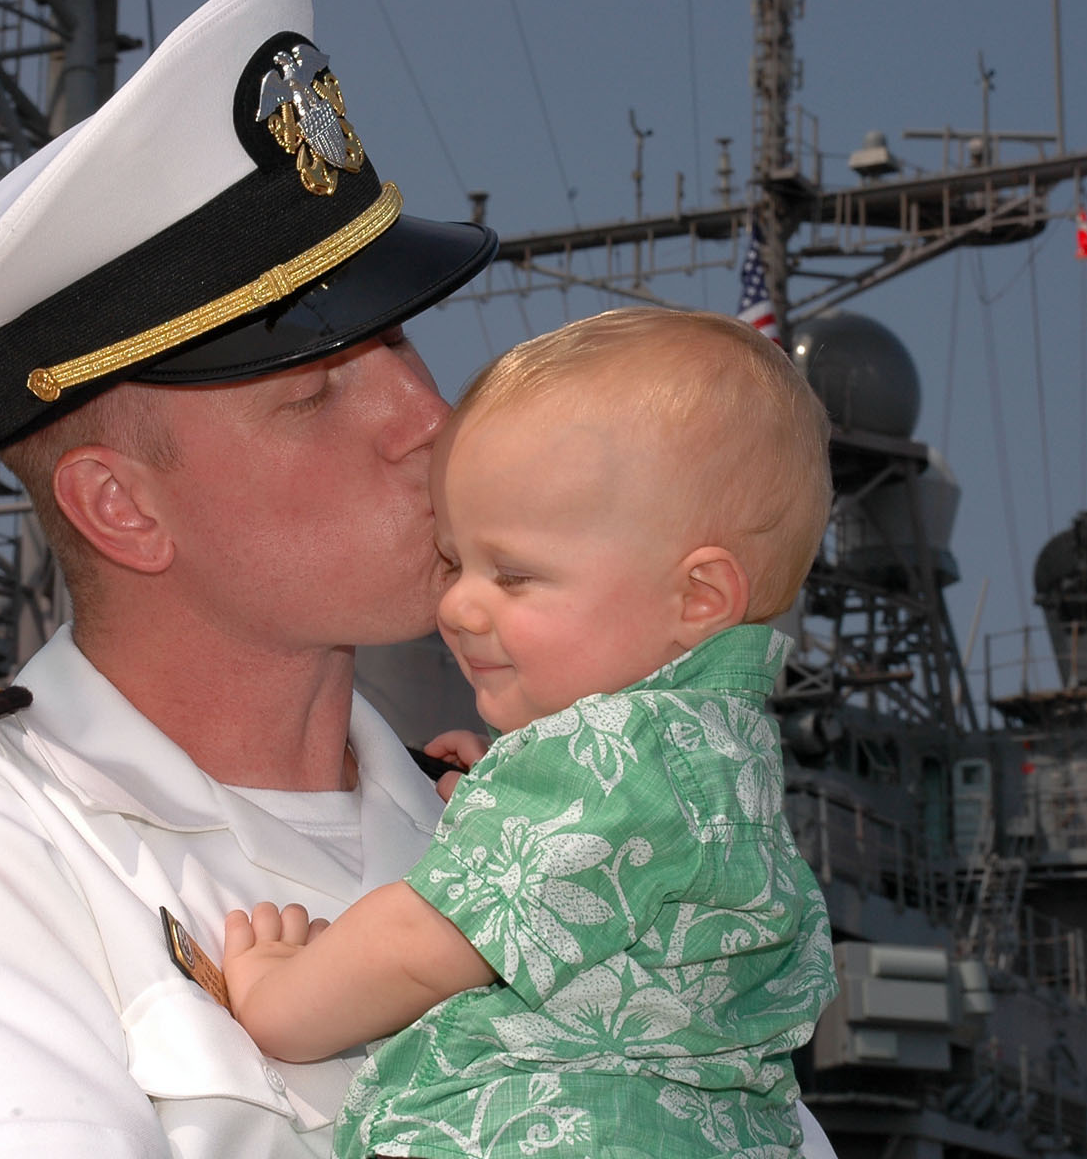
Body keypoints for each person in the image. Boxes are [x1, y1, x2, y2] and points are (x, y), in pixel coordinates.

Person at [0, 0, 840, 1159]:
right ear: (122, 508)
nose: (427, 417)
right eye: (314, 392)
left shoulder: (535, 829)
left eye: (403, 341)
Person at [221, 308, 839, 1159]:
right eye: (455, 561)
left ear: (698, 598)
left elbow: (418, 947)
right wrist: (511, 792)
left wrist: (277, 999)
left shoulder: (611, 767)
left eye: (513, 574)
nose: (458, 606)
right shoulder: (719, 755)